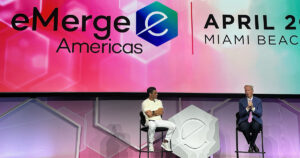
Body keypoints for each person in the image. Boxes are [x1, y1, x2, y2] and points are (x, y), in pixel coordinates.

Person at [142, 87, 176, 152]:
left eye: (157, 93)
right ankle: (150, 144)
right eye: (155, 93)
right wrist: (156, 112)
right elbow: (149, 114)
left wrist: (153, 112)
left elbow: (161, 112)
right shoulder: (145, 102)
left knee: (173, 126)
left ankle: (165, 142)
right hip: (149, 121)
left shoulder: (159, 101)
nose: (157, 94)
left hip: (159, 121)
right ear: (150, 94)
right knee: (152, 126)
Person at [238, 85, 263, 152]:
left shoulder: (258, 101)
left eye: (248, 90)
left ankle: (251, 145)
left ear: (252, 91)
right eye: (245, 90)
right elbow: (240, 114)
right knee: (243, 127)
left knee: (256, 127)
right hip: (245, 120)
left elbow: (260, 113)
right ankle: (253, 144)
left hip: (255, 120)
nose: (247, 92)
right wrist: (247, 108)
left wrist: (253, 108)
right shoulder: (241, 101)